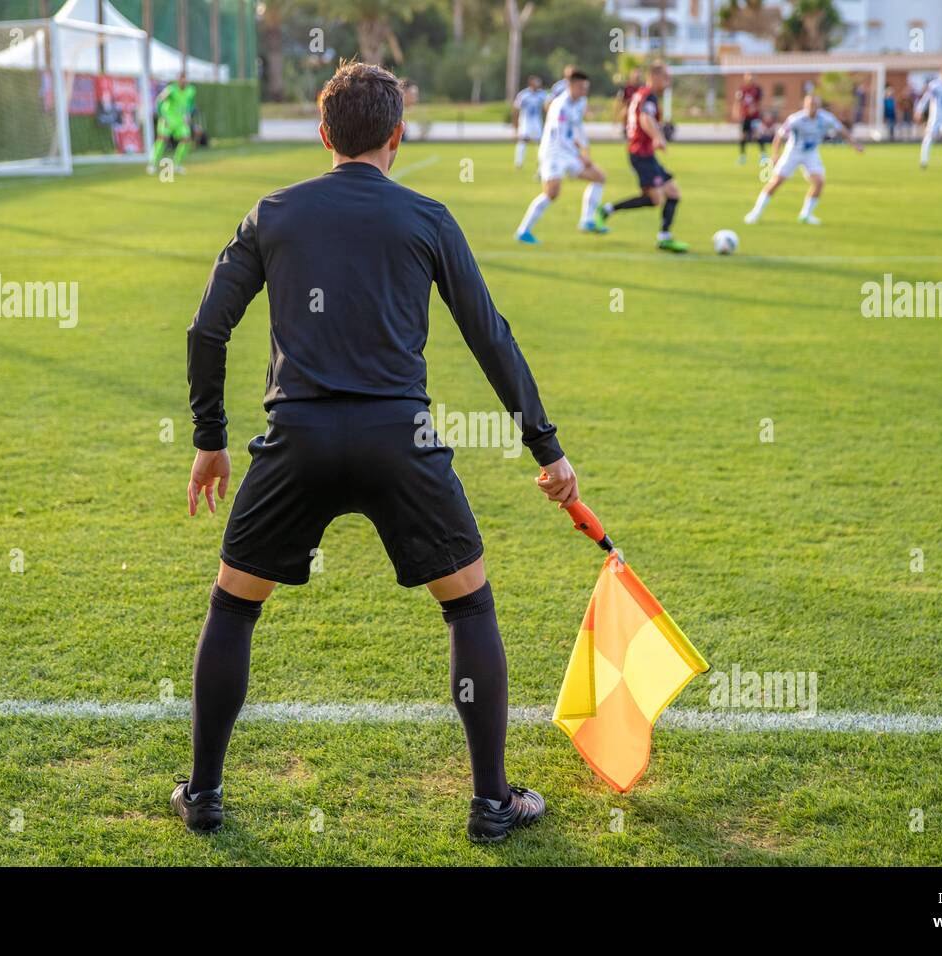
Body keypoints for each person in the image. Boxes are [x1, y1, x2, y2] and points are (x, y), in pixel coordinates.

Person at [176, 62, 579, 843]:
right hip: (402, 440)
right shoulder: (427, 217)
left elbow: (205, 328)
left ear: (324, 135)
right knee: (468, 606)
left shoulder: (274, 212)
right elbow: (490, 336)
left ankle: (205, 796)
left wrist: (208, 440)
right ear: (397, 136)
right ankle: (492, 803)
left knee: (233, 607)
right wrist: (546, 449)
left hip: (296, 441)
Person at [593, 63, 688, 253]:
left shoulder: (640, 93)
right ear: (655, 77)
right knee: (657, 198)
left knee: (671, 193)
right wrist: (658, 137)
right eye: (666, 78)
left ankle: (664, 236)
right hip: (641, 154)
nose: (668, 83)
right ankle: (608, 210)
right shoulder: (649, 96)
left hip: (642, 153)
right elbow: (645, 118)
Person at [515, 70, 607, 242]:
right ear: (570, 86)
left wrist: (586, 150)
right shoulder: (560, 105)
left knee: (599, 177)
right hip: (553, 153)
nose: (584, 92)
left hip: (569, 152)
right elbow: (560, 136)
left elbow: (578, 128)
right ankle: (523, 231)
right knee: (552, 193)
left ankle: (586, 220)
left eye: (586, 88)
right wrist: (580, 155)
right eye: (581, 87)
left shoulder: (580, 102)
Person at [743, 95, 863, 226]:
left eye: (815, 104)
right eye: (810, 104)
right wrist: (775, 154)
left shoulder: (826, 118)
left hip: (811, 154)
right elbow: (779, 136)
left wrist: (855, 144)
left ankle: (806, 215)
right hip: (793, 153)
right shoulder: (796, 119)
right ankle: (755, 213)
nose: (812, 107)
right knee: (776, 181)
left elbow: (842, 130)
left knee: (819, 182)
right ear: (805, 105)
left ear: (819, 105)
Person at [149, 72, 196, 175]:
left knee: (186, 139)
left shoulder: (191, 90)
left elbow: (192, 104)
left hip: (180, 120)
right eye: (181, 79)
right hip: (168, 119)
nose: (183, 81)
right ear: (177, 79)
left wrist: (189, 114)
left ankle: (177, 164)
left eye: (185, 79)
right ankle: (153, 164)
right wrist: (162, 116)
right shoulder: (171, 89)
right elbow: (159, 100)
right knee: (162, 140)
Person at [512, 75, 547, 169]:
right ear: (531, 83)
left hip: (537, 122)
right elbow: (516, 109)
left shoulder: (542, 94)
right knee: (523, 141)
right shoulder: (523, 94)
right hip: (525, 122)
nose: (538, 84)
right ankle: (518, 163)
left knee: (541, 142)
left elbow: (547, 108)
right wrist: (515, 125)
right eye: (536, 82)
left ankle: (541, 162)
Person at [734, 72, 763, 165]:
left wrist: (755, 108)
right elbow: (738, 102)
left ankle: (763, 155)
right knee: (743, 136)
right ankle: (742, 156)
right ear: (745, 78)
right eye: (748, 76)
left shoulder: (757, 89)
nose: (750, 78)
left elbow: (760, 103)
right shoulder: (741, 89)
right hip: (745, 116)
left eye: (751, 76)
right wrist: (736, 111)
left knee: (757, 135)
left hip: (755, 117)